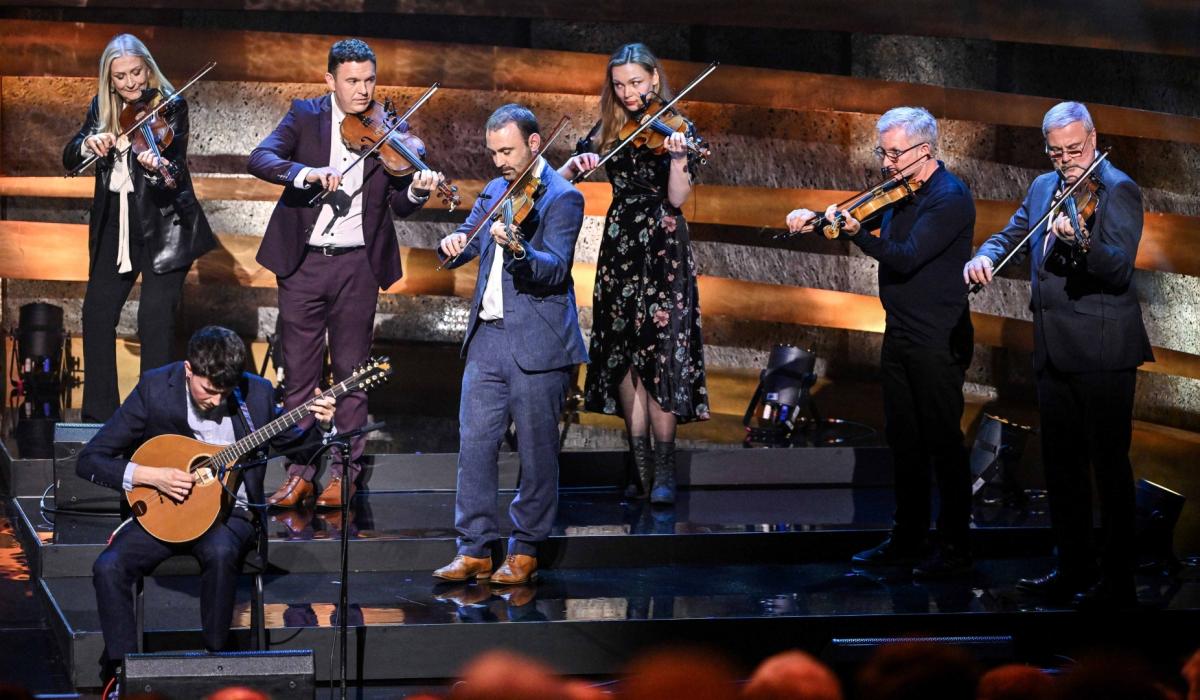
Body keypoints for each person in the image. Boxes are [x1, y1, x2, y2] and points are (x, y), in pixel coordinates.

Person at [966, 101, 1152, 609]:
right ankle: (1073, 569)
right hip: (1054, 349)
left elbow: (1118, 270)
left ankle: (1118, 582)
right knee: (1062, 467)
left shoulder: (1118, 189)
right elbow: (1013, 233)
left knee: (1108, 469)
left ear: (1093, 139)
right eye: (1056, 152)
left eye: (1074, 149)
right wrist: (986, 254)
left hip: (1102, 352)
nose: (1066, 160)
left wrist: (1083, 242)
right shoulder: (1043, 186)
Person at [77, 326, 334, 690]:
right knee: (109, 566)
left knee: (220, 550)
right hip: (165, 509)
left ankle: (216, 663)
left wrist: (322, 426)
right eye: (208, 390)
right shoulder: (155, 388)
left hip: (230, 514)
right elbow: (90, 459)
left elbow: (299, 449)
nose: (215, 400)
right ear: (188, 370)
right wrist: (153, 476)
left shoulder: (256, 392)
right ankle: (123, 674)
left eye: (224, 393)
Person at [248, 38, 443, 509]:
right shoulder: (304, 115)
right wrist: (307, 174)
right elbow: (261, 158)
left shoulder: (389, 128)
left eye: (369, 80)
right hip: (303, 263)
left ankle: (345, 473)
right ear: (329, 80)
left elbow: (398, 203)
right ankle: (300, 472)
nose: (363, 90)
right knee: (299, 375)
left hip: (358, 264)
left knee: (352, 375)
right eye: (352, 81)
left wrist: (417, 192)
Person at [787, 106, 976, 577]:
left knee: (942, 443)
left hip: (937, 337)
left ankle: (955, 547)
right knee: (904, 439)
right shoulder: (898, 189)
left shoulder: (950, 197)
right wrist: (814, 218)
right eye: (883, 153)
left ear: (924, 150)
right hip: (900, 332)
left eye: (894, 153)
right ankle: (907, 537)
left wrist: (857, 235)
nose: (886, 163)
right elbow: (854, 216)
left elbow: (906, 256)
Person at [433, 103, 587, 585]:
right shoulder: (495, 191)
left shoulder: (562, 197)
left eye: (508, 151)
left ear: (534, 143)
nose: (500, 161)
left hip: (539, 342)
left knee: (537, 452)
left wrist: (519, 249)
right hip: (488, 338)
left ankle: (525, 548)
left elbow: (555, 269)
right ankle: (474, 547)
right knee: (475, 444)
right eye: (494, 152)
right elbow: (468, 237)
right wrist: (453, 244)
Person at [558, 42, 709, 506]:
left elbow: (677, 199)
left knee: (661, 354)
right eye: (620, 84)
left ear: (655, 79)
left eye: (636, 83)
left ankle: (664, 470)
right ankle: (639, 464)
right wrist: (580, 164)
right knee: (623, 353)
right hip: (621, 242)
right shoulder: (609, 125)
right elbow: (569, 173)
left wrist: (679, 158)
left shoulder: (678, 127)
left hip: (663, 245)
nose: (628, 93)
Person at [63, 33, 216, 423]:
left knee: (154, 322)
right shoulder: (101, 107)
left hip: (166, 227)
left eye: (136, 72)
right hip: (117, 225)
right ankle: (100, 421)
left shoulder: (171, 104)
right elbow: (70, 156)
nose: (131, 83)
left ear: (148, 69)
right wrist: (88, 143)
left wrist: (155, 169)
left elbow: (174, 170)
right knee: (96, 315)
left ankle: (156, 422)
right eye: (121, 77)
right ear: (109, 80)